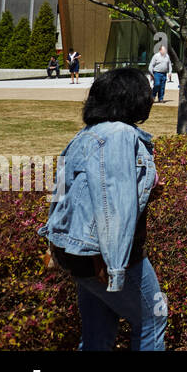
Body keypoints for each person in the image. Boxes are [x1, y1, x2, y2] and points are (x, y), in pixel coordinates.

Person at [40, 67, 167, 350]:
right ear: (134, 99)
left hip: (78, 252)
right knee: (153, 318)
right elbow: (114, 203)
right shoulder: (120, 134)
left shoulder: (87, 135)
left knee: (98, 332)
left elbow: (64, 190)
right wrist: (111, 263)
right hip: (107, 254)